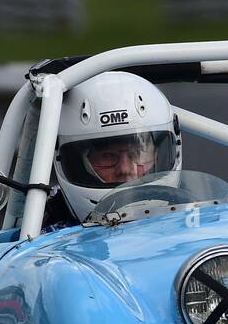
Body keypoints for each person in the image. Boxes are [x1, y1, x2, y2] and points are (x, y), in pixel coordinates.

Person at [47, 71, 182, 226]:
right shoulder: (41, 239)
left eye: (137, 153)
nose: (124, 169)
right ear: (78, 164)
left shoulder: (197, 217)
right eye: (107, 156)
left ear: (160, 153)